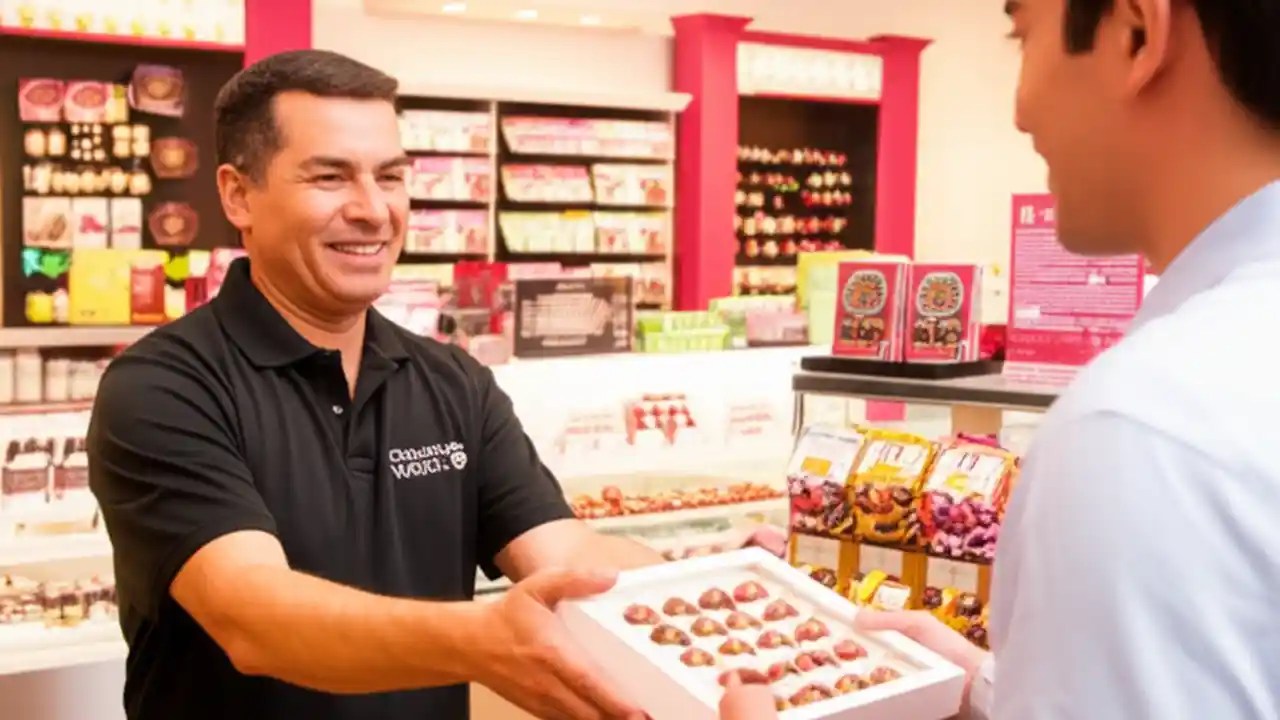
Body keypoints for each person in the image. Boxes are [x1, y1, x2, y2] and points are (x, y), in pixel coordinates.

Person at [86, 49, 782, 720]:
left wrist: (709, 584)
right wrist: (481, 640)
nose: (373, 209)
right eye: (330, 178)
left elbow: (564, 552)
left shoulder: (451, 382)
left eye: (390, 176)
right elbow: (255, 618)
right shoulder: (163, 387)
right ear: (239, 194)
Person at [851, 1, 1280, 718]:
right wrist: (1002, 687)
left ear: (1135, 32)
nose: (1019, 113)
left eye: (1023, 35)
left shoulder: (1145, 428)